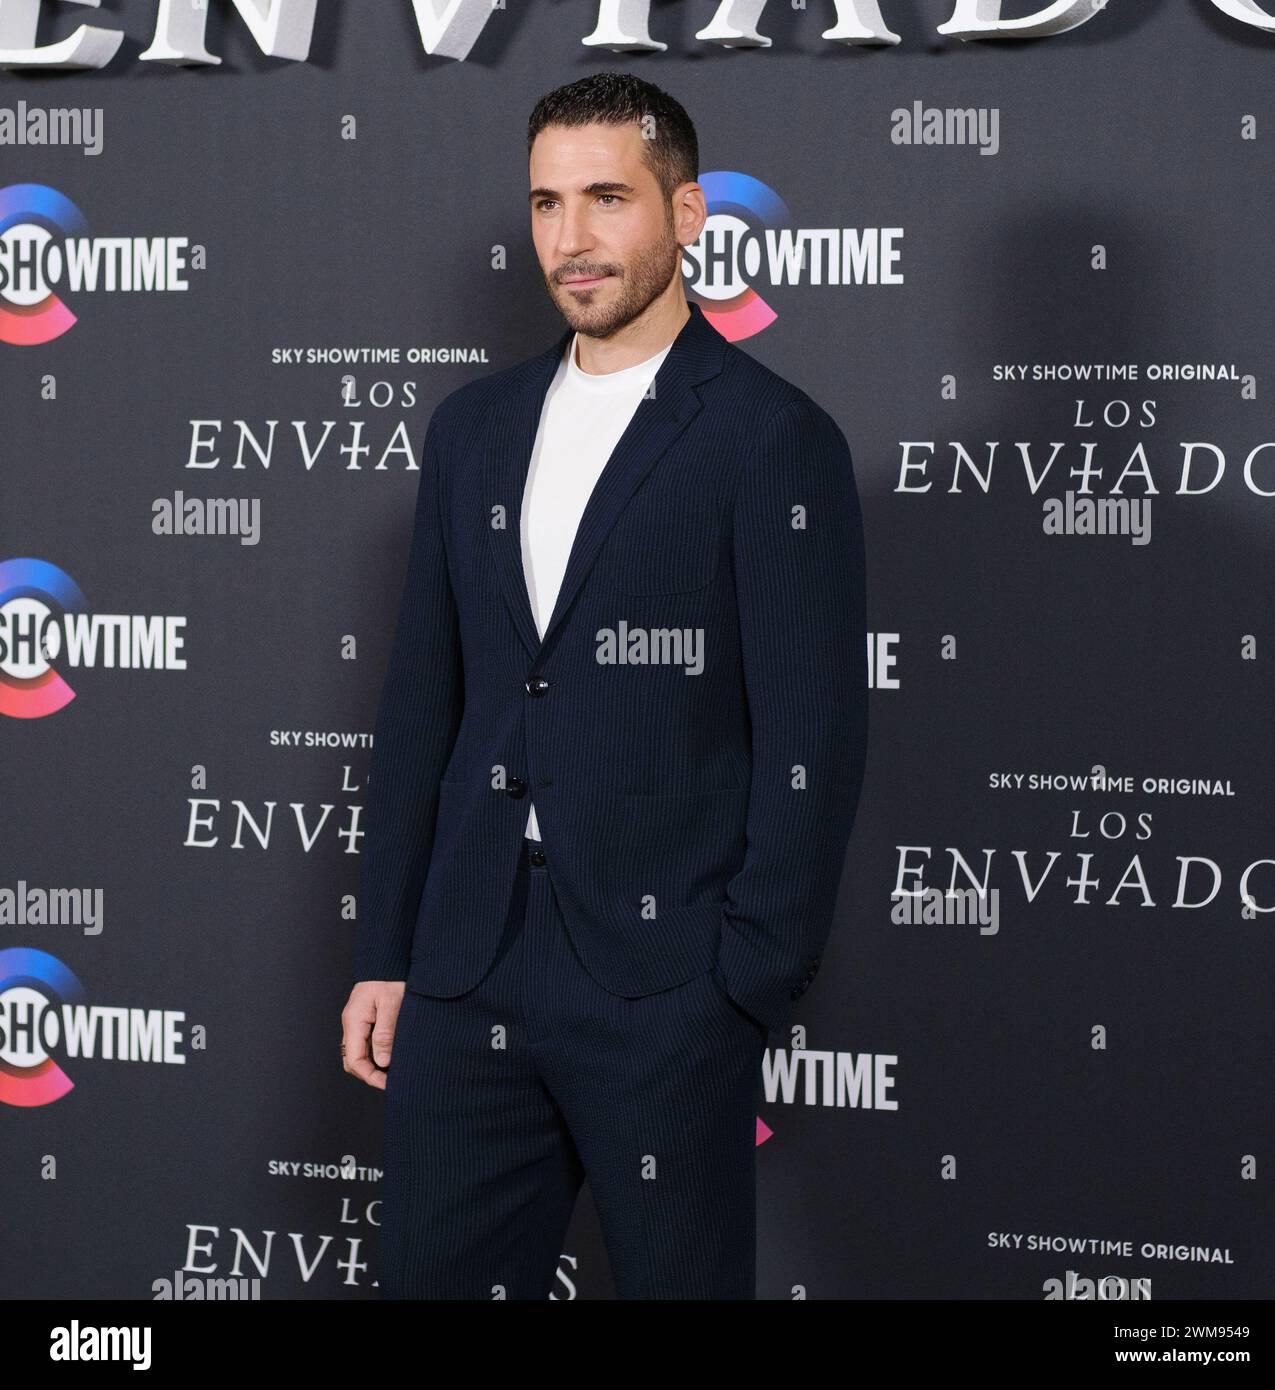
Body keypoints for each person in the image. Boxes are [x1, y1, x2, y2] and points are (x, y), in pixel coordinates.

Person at [341, 70, 868, 1300]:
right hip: (466, 971)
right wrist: (387, 951)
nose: (570, 241)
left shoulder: (770, 436)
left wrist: (740, 983)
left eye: (606, 199)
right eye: (543, 203)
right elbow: (424, 704)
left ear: (687, 214)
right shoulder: (473, 426)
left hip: (664, 985)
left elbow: (815, 733)